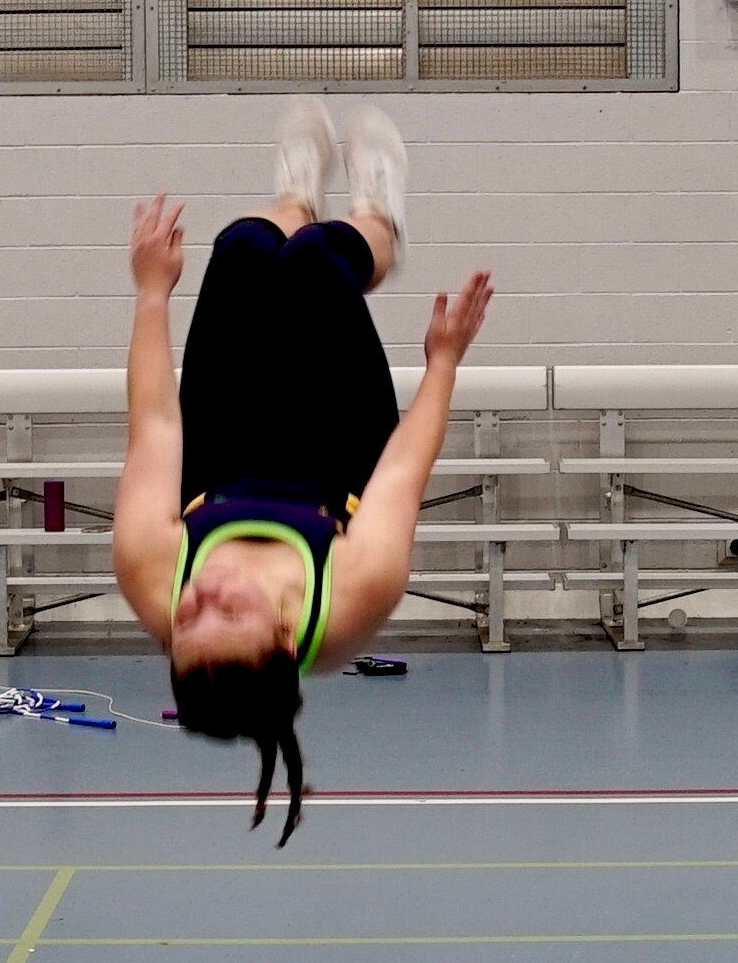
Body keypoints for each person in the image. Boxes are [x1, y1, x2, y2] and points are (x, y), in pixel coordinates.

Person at [113, 101, 494, 844]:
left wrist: (152, 292)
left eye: (183, 622)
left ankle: (294, 193)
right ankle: (378, 217)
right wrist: (443, 363)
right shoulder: (353, 596)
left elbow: (154, 427)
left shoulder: (148, 571)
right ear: (287, 636)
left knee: (243, 247)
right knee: (317, 261)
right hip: (334, 461)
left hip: (221, 462)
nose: (200, 598)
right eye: (228, 614)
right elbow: (402, 472)